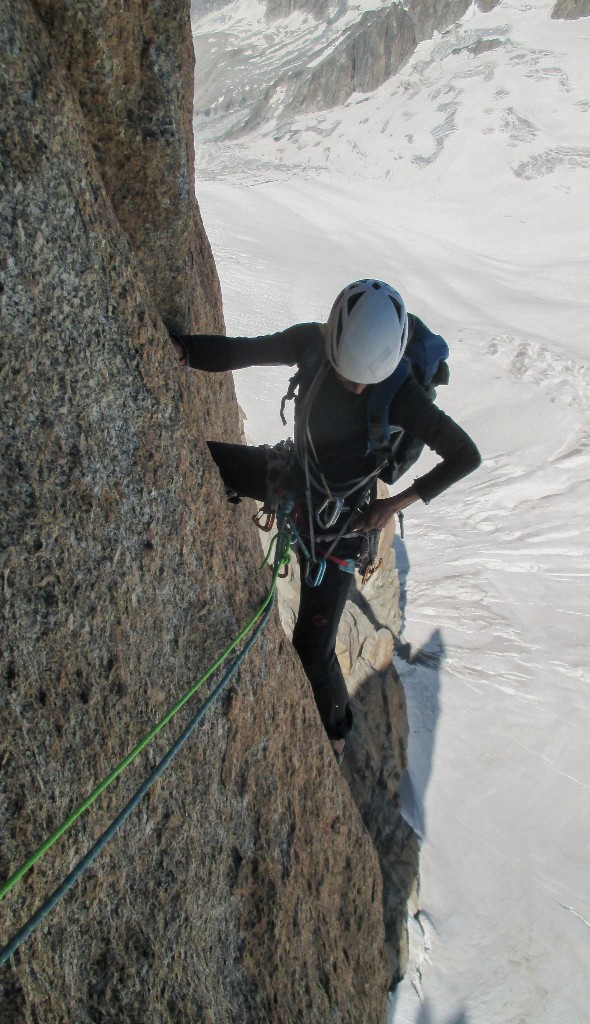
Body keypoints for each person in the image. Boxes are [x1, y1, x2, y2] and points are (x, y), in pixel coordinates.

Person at [167, 280, 481, 761]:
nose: (356, 386)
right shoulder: (311, 344)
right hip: (295, 482)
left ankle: (336, 729)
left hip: (342, 531)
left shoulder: (402, 393)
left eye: (364, 381)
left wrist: (391, 505)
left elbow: (466, 456)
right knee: (200, 459)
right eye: (348, 374)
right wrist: (183, 351)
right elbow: (244, 353)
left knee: (312, 649)